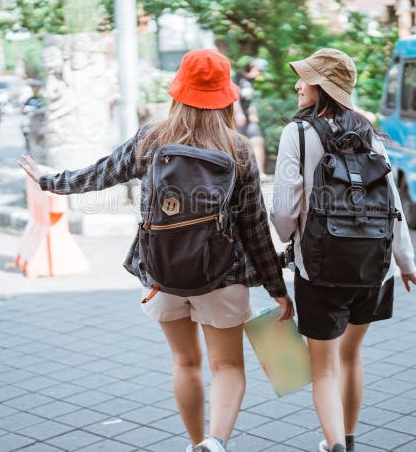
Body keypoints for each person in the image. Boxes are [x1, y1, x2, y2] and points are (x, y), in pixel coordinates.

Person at [18, 49, 294, 452]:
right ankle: (216, 442)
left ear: (179, 92)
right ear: (225, 96)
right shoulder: (236, 149)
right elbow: (254, 228)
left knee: (185, 363)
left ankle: (195, 441)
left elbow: (100, 174)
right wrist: (277, 288)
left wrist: (51, 181)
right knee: (228, 366)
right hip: (225, 277)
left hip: (162, 274)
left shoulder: (152, 138)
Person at [270, 48, 416, 452]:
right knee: (352, 357)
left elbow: (286, 211)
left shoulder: (298, 133)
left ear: (323, 86)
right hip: (374, 269)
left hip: (319, 268)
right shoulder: (369, 132)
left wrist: (287, 239)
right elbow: (391, 204)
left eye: (305, 78)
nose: (297, 84)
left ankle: (334, 445)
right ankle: (350, 441)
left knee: (323, 368)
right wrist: (406, 264)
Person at [233, 58, 268, 179]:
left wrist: (253, 113)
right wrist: (238, 113)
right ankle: (237, 175)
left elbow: (250, 100)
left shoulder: (250, 81)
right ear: (251, 67)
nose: (260, 73)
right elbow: (234, 97)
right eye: (259, 70)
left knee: (258, 141)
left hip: (250, 118)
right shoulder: (238, 77)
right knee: (238, 146)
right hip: (239, 118)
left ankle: (260, 173)